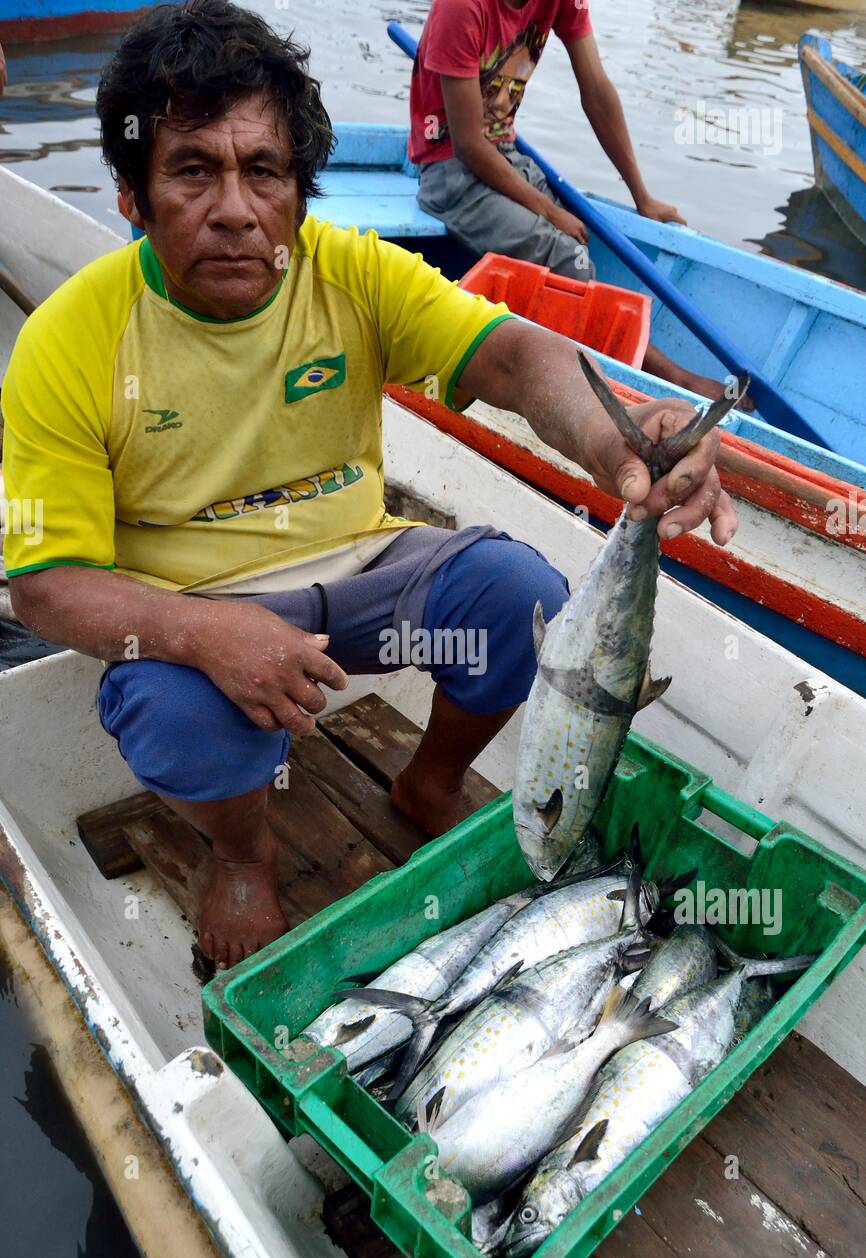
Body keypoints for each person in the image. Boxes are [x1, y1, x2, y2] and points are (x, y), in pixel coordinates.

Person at [2, 0, 736, 972]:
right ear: (132, 195)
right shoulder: (70, 339)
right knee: (170, 710)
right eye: (192, 170)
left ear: (300, 191)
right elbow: (45, 587)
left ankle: (426, 784)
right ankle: (242, 848)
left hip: (363, 569)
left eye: (262, 172)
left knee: (518, 596)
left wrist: (614, 441)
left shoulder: (346, 273)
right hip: (193, 607)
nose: (234, 209)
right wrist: (210, 633)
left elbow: (511, 359)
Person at [409, 0, 738, 400]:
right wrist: (546, 210)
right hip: (450, 171)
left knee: (578, 244)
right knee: (568, 256)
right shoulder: (462, 8)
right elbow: (468, 145)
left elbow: (596, 90)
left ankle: (576, 355)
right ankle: (666, 377)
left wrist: (642, 196)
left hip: (507, 156)